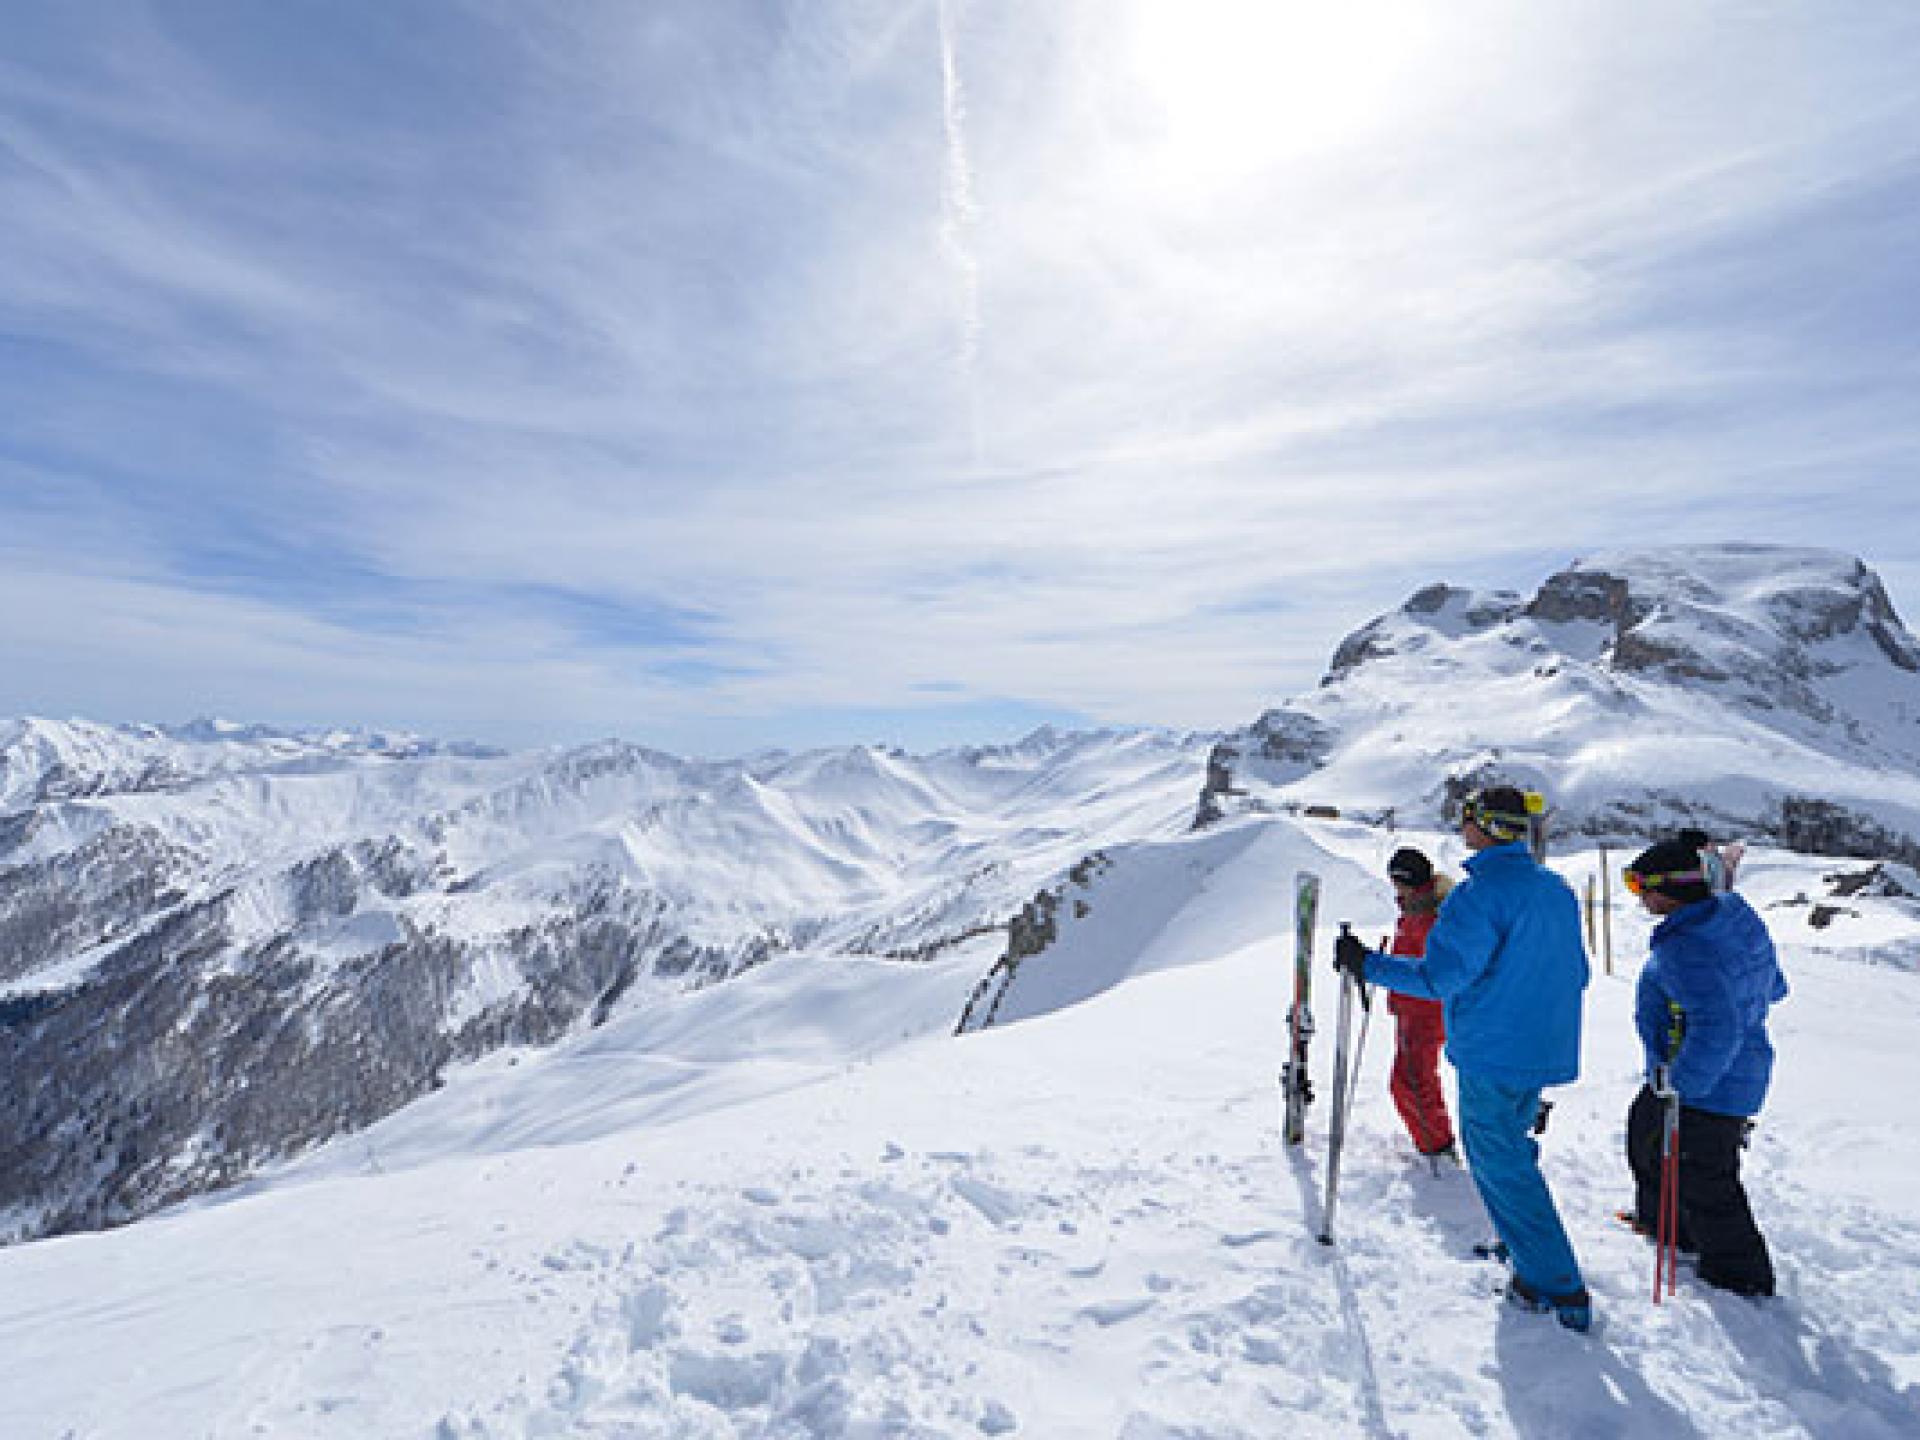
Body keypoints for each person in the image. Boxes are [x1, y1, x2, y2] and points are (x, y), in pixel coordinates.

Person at [1336, 785, 1592, 1331]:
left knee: (1500, 1162)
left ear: (1484, 825)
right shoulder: (1555, 889)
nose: (1460, 826)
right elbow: (1578, 971)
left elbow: (1438, 977)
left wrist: (1367, 965)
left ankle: (1554, 1285)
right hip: (1541, 1043)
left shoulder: (1479, 897)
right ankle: (1526, 1251)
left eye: (1466, 817)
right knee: (1511, 1153)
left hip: (1495, 1050)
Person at [1621, 837, 1788, 1297]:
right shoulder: (1732, 915)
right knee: (1647, 1135)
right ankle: (1667, 1224)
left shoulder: (1686, 947)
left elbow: (1718, 1025)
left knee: (1705, 1176)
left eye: (1640, 886)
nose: (1639, 897)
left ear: (1667, 890)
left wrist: (1683, 1084)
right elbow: (1773, 985)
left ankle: (1741, 1274)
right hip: (1718, 1068)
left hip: (1709, 1083)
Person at [1382, 847, 1458, 1164]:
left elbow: (1428, 970)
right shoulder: (1416, 909)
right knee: (1412, 1079)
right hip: (1412, 1009)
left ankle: (1437, 1146)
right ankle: (1434, 1141)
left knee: (1411, 1081)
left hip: (1424, 1011)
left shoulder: (1428, 919)